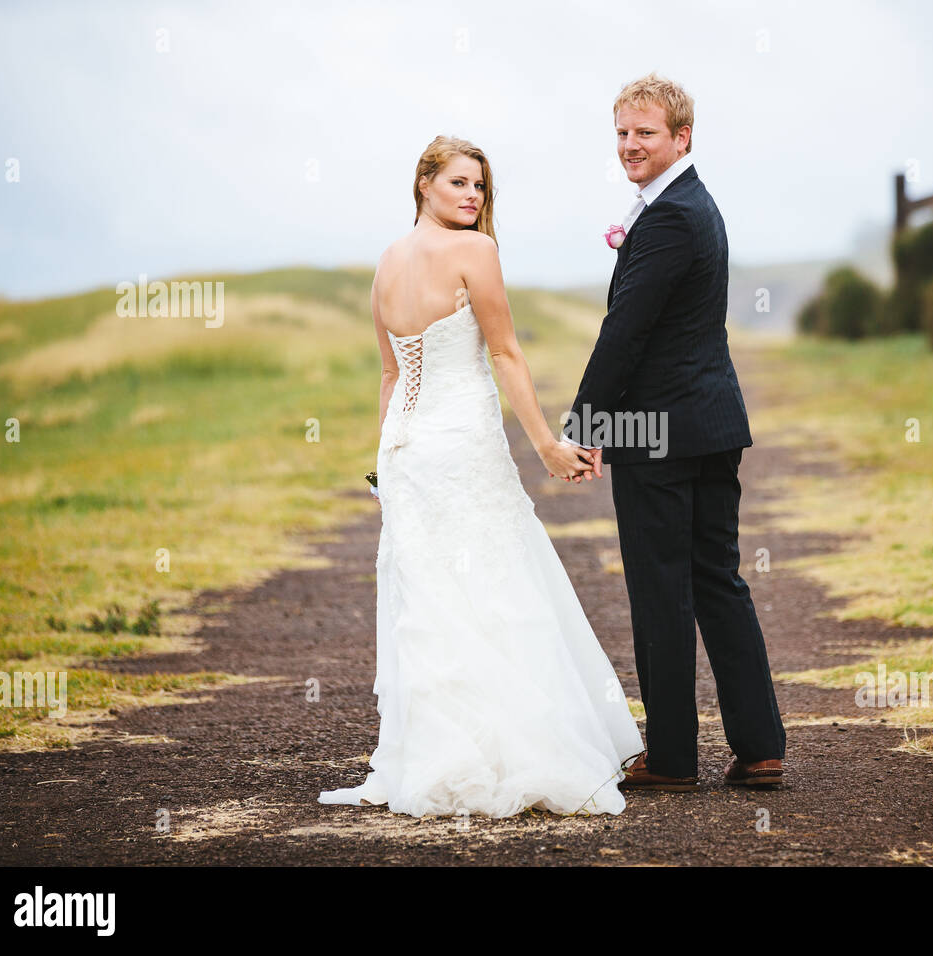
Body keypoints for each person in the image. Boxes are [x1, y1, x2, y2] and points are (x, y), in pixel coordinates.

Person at [317, 135, 643, 817]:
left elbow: (390, 374)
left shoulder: (386, 263)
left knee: (434, 597)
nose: (473, 196)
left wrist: (384, 459)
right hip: (460, 444)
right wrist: (549, 447)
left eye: (481, 188)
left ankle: (437, 759)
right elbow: (507, 355)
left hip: (408, 453)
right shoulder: (476, 252)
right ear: (424, 183)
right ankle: (510, 753)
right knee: (493, 583)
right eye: (460, 183)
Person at [561, 73, 786, 791]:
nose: (630, 145)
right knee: (718, 580)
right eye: (623, 133)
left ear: (680, 138)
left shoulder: (667, 217)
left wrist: (585, 424)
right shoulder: (695, 204)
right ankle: (759, 747)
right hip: (712, 423)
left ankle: (673, 758)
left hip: (659, 433)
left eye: (645, 133)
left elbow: (626, 331)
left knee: (663, 588)